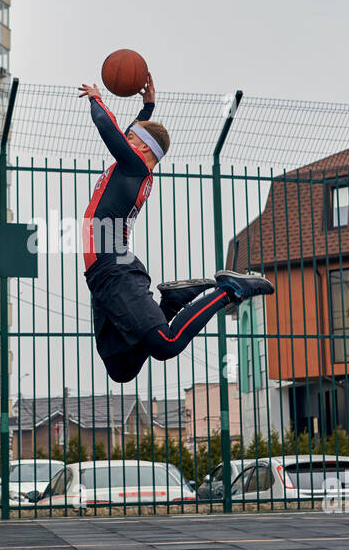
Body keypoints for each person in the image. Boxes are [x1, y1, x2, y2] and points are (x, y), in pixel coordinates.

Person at [78, 74, 273, 383]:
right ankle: (170, 303)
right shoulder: (133, 167)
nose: (125, 138)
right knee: (121, 369)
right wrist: (148, 107)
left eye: (131, 138)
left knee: (166, 344)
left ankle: (230, 290)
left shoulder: (134, 168)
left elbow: (107, 126)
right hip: (103, 273)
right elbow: (131, 134)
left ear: (141, 149)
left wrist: (95, 98)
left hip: (115, 268)